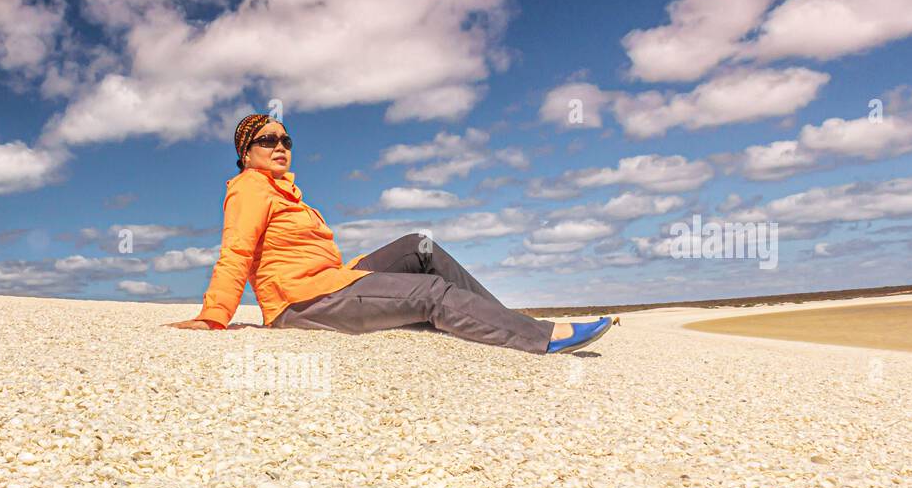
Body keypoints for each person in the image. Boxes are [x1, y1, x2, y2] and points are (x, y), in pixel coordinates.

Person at [166, 113, 617, 354]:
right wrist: (214, 316)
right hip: (301, 303)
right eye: (267, 140)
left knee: (418, 247)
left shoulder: (288, 193)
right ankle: (541, 336)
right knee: (431, 292)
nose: (280, 146)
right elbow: (236, 251)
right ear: (246, 154)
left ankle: (502, 321)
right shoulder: (248, 189)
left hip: (330, 282)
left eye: (285, 140)